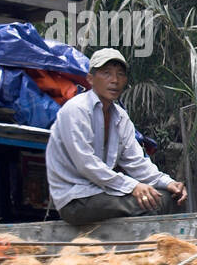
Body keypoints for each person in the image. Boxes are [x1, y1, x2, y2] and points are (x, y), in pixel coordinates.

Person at [47, 48, 187, 225]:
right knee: (157, 202)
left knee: (171, 197)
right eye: (106, 74)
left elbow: (136, 162)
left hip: (102, 192)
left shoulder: (120, 116)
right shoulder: (76, 109)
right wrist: (133, 186)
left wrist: (168, 182)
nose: (114, 80)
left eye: (120, 75)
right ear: (90, 79)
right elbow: (87, 165)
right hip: (76, 199)